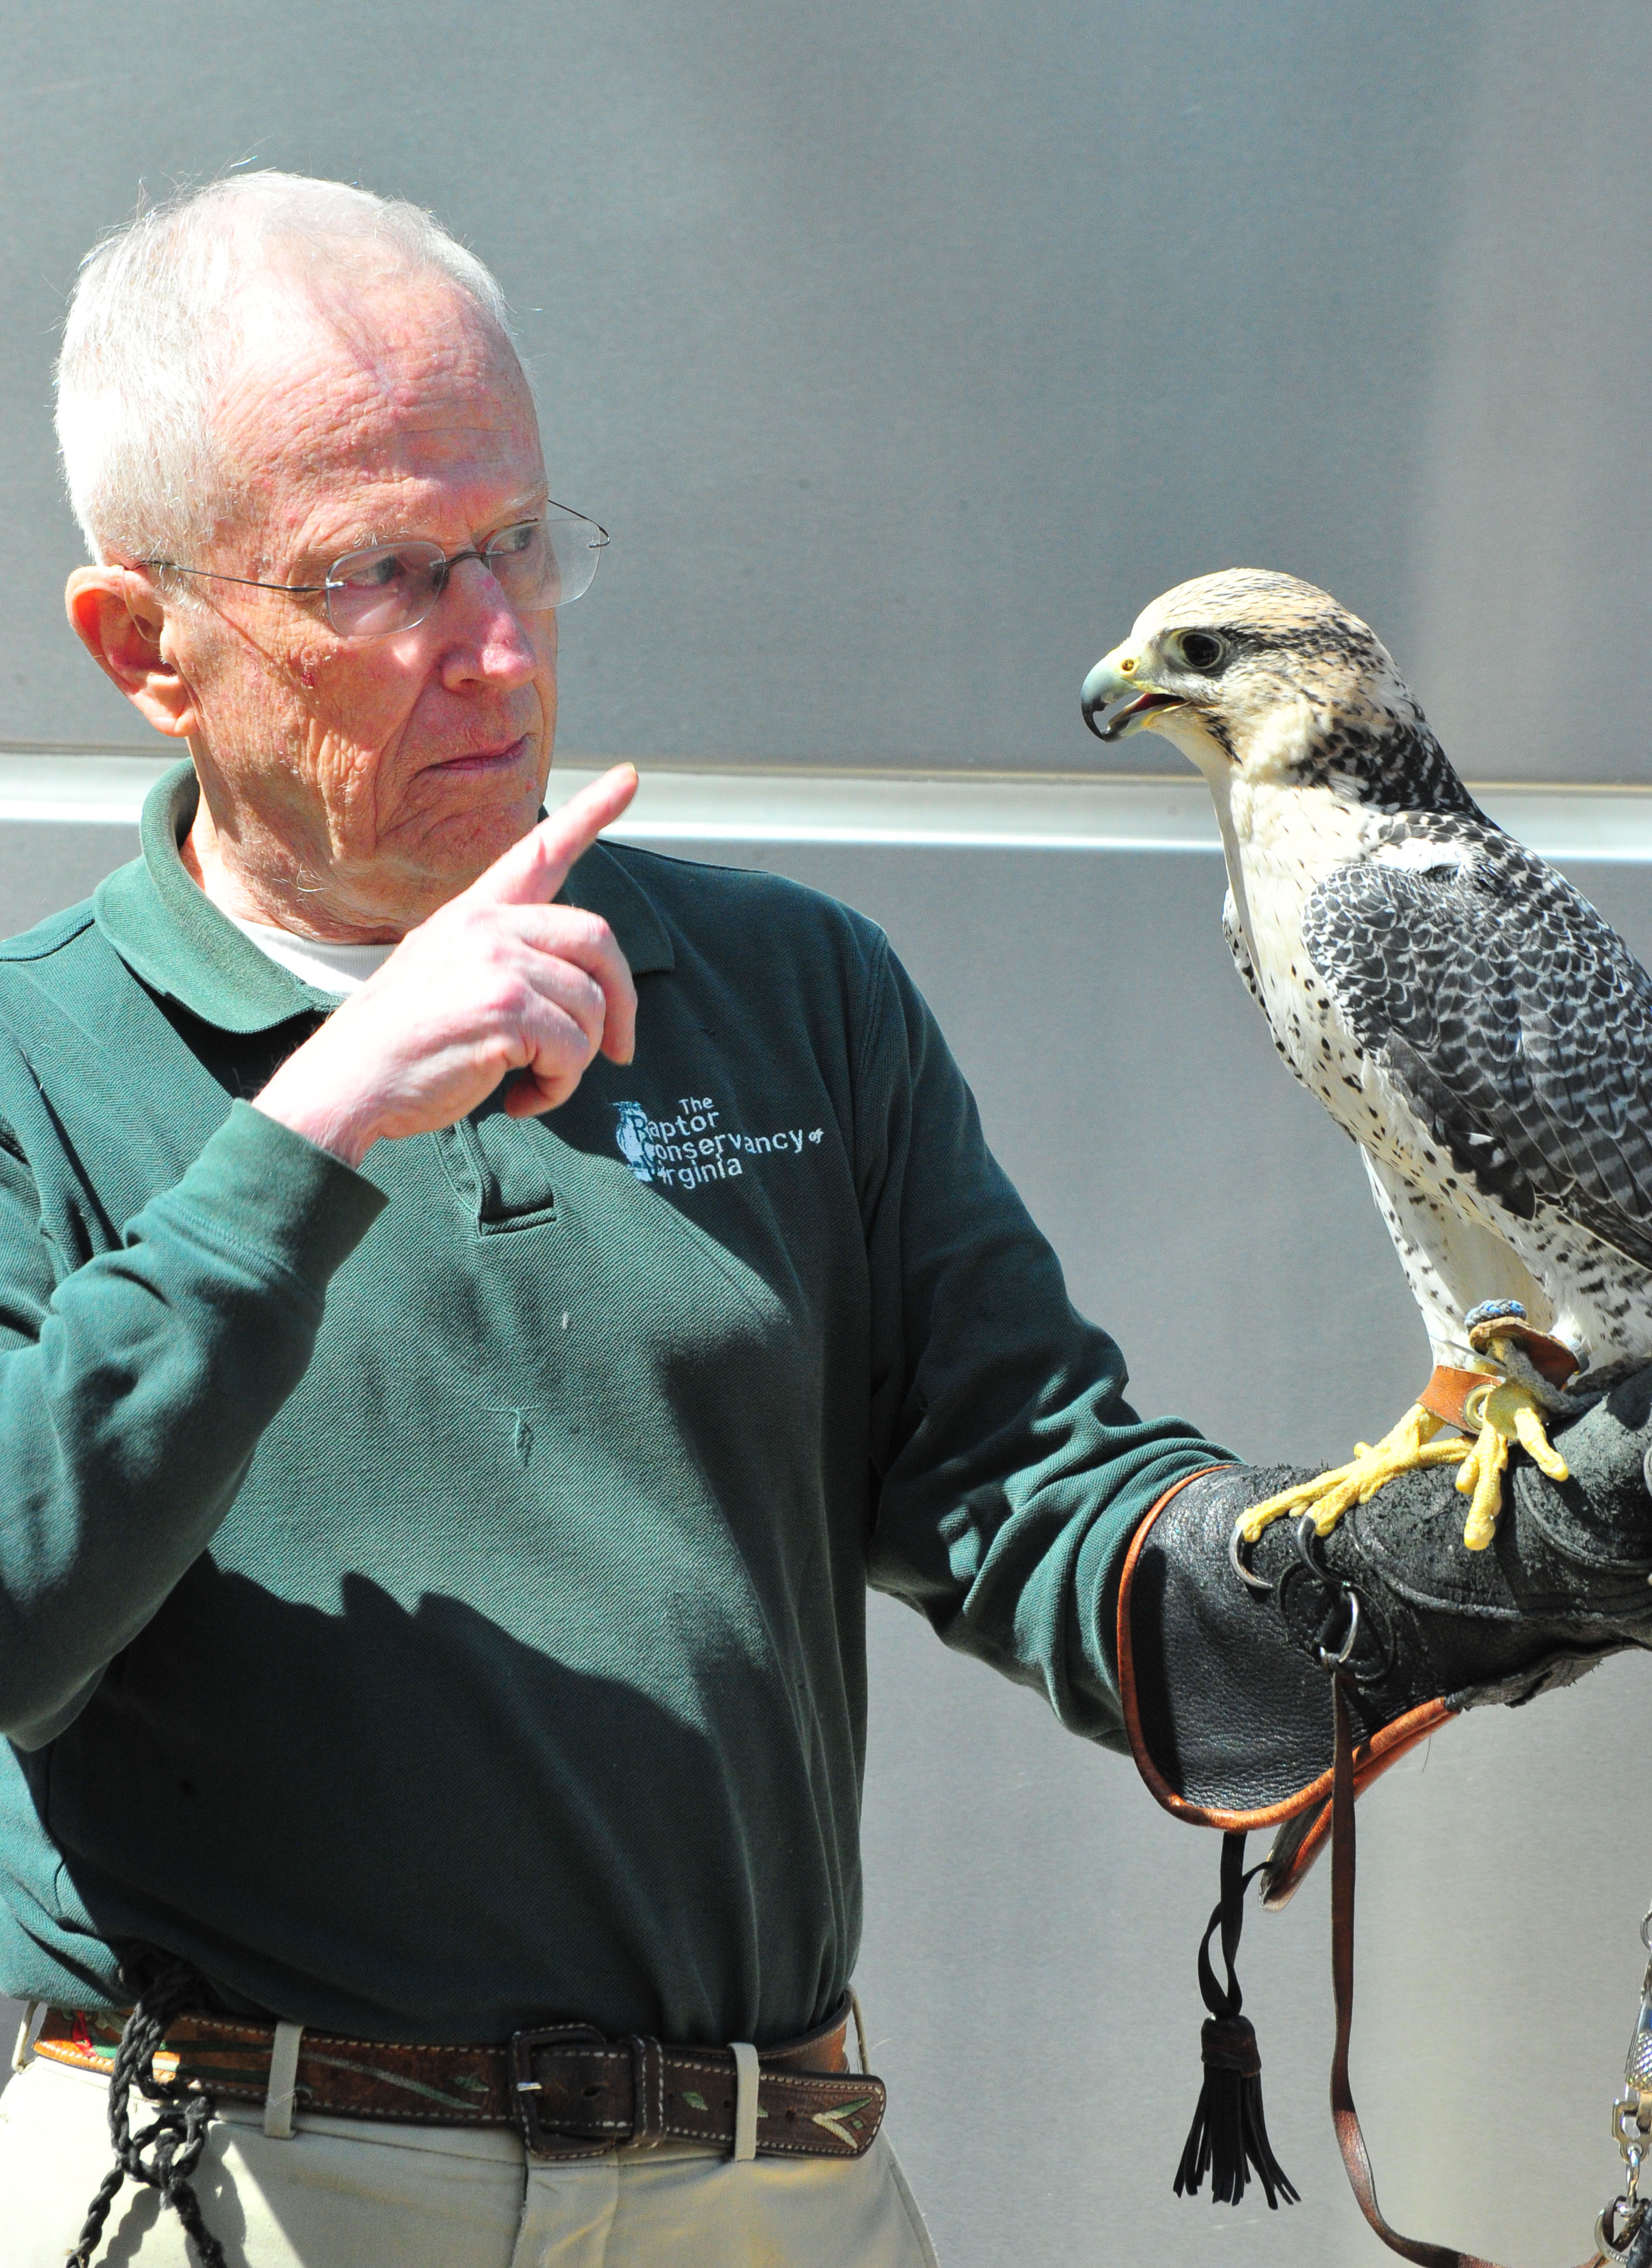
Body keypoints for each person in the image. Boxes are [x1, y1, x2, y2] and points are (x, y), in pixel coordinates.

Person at [4, 174, 1652, 2268]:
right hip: (251, 2184)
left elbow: (1042, 1512)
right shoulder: (36, 1057)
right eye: (383, 574)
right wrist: (313, 1125)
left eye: (518, 541)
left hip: (769, 2186)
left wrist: (1455, 1572)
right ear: (144, 647)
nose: (498, 642)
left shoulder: (786, 991)